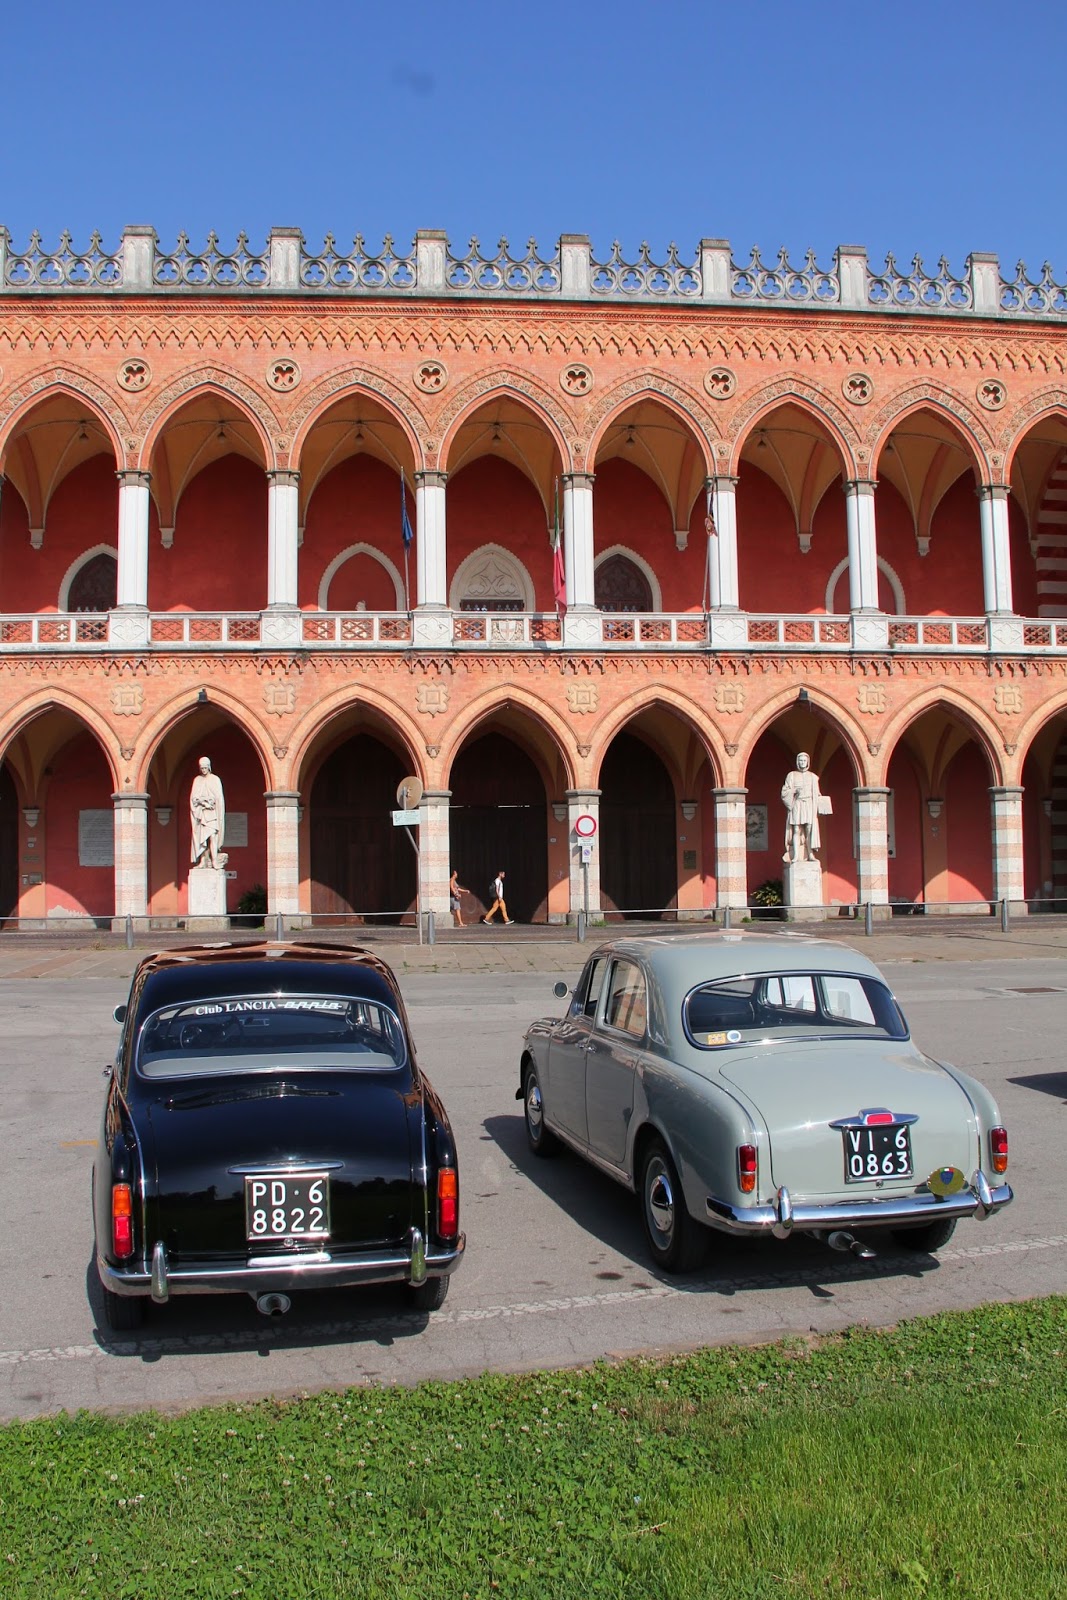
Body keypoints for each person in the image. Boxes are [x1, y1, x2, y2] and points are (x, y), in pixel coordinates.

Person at [781, 752, 827, 864]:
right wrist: (794, 791)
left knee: (809, 830)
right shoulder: (791, 775)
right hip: (797, 803)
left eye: (804, 760)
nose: (802, 763)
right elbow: (784, 792)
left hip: (809, 804)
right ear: (797, 761)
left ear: (808, 762)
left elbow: (817, 792)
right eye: (800, 760)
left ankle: (810, 854)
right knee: (796, 829)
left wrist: (822, 801)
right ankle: (796, 855)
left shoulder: (813, 777)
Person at [190, 755, 226, 870]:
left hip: (212, 814)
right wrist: (202, 802)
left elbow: (219, 798)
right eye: (202, 768)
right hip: (201, 814)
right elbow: (193, 798)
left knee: (213, 837)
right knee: (202, 839)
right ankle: (203, 861)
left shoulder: (215, 779)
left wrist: (210, 802)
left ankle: (214, 861)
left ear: (209, 767)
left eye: (205, 767)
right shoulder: (197, 780)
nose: (203, 770)